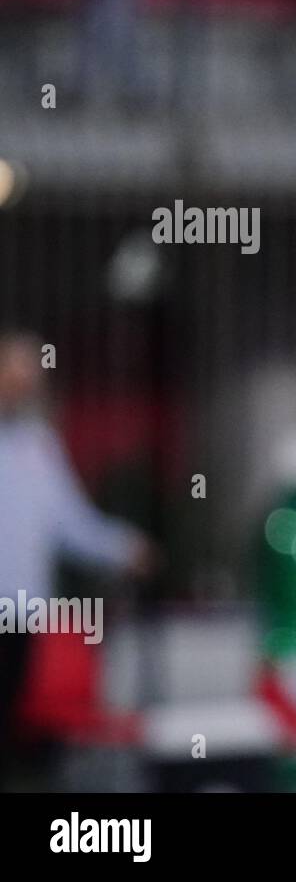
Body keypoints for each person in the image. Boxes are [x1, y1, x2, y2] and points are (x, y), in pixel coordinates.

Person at [0, 331, 153, 782]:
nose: (21, 384)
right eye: (12, 372)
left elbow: (70, 523)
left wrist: (124, 547)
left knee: (11, 727)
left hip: (20, 613)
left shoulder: (38, 446)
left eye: (29, 376)